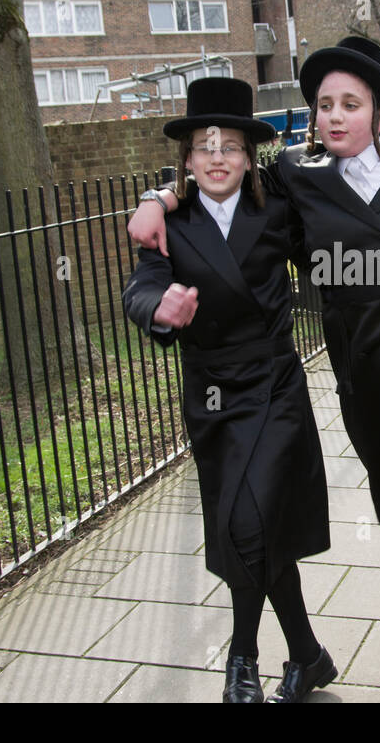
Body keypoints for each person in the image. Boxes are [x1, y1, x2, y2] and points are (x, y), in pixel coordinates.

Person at [130, 36, 380, 703]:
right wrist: (154, 201)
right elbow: (208, 188)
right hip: (363, 377)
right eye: (323, 106)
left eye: (351, 104)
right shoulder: (302, 181)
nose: (334, 116)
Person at [122, 77, 333, 703]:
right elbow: (140, 288)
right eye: (205, 145)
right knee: (254, 525)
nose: (218, 157)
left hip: (274, 387)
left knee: (247, 521)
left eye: (232, 145)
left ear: (249, 155)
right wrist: (162, 306)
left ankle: (241, 659)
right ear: (187, 158)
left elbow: (330, 245)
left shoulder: (277, 209)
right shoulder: (170, 222)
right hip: (212, 395)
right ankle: (307, 655)